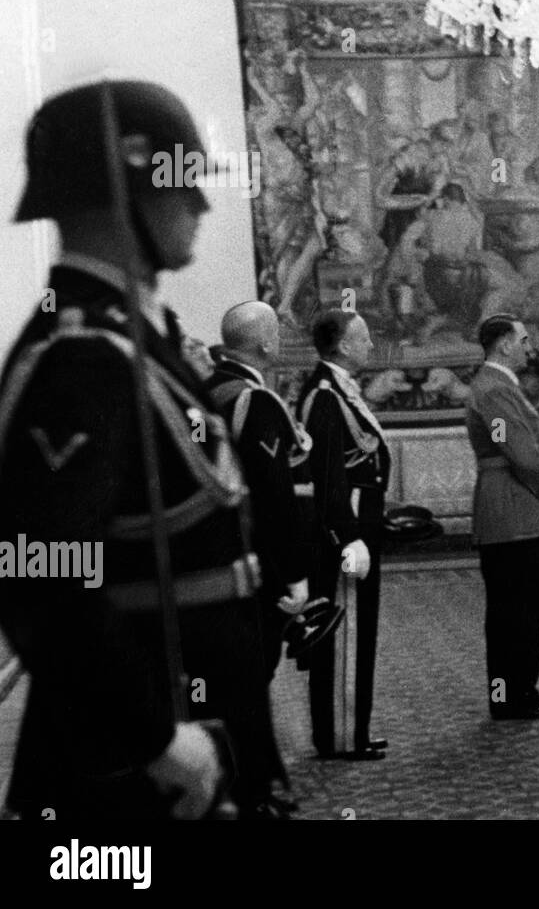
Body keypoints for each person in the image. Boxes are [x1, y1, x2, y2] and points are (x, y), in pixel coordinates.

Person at [0, 80, 276, 819]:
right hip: (139, 757)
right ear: (125, 191)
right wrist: (152, 737)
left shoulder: (135, 342)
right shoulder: (83, 360)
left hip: (198, 710)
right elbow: (42, 575)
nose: (201, 205)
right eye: (182, 182)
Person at [206, 301, 314, 813]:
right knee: (254, 676)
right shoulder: (258, 402)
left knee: (221, 680)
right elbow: (275, 499)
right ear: (266, 345)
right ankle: (251, 789)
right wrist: (294, 575)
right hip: (259, 565)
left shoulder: (202, 393)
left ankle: (228, 781)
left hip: (213, 563)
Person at [298, 310, 390, 761]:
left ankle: (353, 729)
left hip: (360, 519)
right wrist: (347, 534)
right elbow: (327, 473)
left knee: (361, 630)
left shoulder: (339, 390)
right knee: (346, 630)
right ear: (343, 347)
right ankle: (340, 737)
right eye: (365, 338)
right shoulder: (324, 395)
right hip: (344, 528)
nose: (371, 345)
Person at [465, 314, 539, 721]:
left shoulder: (498, 386)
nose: (529, 346)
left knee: (513, 610)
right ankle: (514, 695)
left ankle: (512, 693)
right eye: (523, 339)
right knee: (516, 611)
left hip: (512, 506)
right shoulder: (493, 390)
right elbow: (520, 453)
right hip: (513, 507)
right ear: (504, 344)